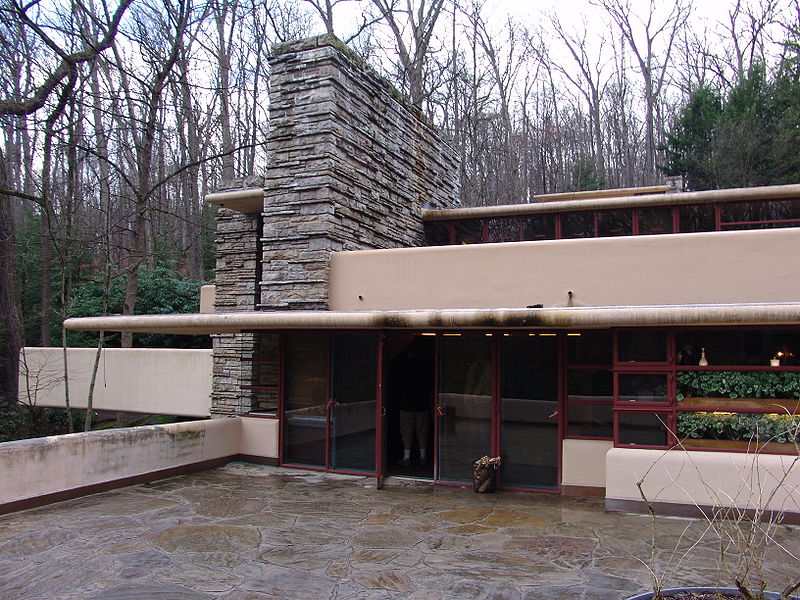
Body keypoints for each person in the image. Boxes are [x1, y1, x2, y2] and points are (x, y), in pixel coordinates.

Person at [390, 339, 433, 467]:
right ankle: (423, 457)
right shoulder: (425, 365)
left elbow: (396, 384)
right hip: (422, 404)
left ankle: (406, 457)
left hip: (406, 404)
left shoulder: (402, 364)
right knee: (422, 431)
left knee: (407, 431)